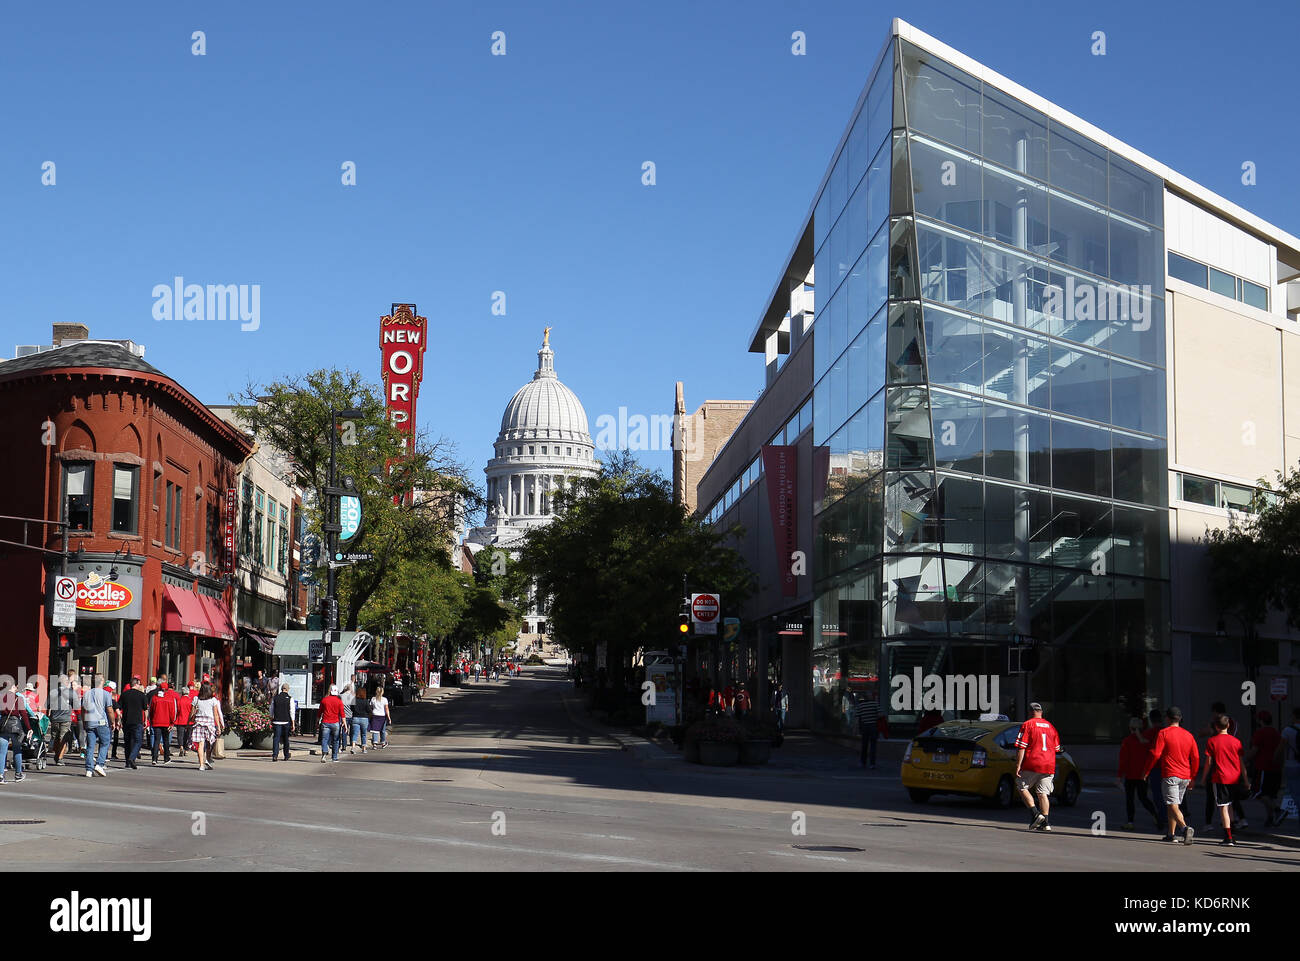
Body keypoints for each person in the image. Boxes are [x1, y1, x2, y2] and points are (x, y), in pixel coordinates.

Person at [1142, 706, 1200, 845]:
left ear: (1167, 718)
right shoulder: (1189, 735)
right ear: (1180, 719)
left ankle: (1185, 828)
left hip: (1170, 774)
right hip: (1185, 776)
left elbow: (1155, 754)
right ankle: (1171, 834)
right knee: (1172, 805)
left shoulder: (1163, 733)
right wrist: (1193, 777)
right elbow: (1196, 758)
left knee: (1172, 805)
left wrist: (1146, 771)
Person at [1199, 713, 1248, 846]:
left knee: (1223, 807)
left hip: (1220, 777)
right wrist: (1246, 779)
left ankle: (1228, 837)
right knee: (1231, 805)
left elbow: (1208, 763)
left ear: (1215, 726)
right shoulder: (1236, 741)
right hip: (1235, 778)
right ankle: (1231, 831)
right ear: (1228, 725)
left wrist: (1203, 779)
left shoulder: (1212, 741)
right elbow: (1241, 763)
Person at [1014, 702, 1062, 831]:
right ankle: (1045, 823)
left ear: (1030, 712)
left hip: (1033, 762)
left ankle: (1035, 814)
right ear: (1041, 712)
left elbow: (1021, 747)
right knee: (1043, 793)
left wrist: (1018, 765)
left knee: (1021, 786)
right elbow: (1057, 748)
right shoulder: (1051, 727)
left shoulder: (1027, 724)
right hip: (1049, 764)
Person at [1116, 717, 1159, 830]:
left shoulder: (1127, 741)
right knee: (1143, 797)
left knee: (1130, 799)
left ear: (1130, 728)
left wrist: (1119, 776)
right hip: (1143, 774)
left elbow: (1123, 760)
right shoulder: (1146, 741)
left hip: (1130, 774)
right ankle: (1155, 815)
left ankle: (1130, 822)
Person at [1246, 709, 1284, 827]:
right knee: (1270, 794)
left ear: (1261, 721)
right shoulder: (1277, 733)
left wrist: (1246, 760)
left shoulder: (1260, 733)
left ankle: (1278, 810)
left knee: (1258, 792)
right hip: (1276, 767)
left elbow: (1254, 750)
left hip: (1263, 766)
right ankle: (1270, 817)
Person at [81, 680, 116, 778]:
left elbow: (83, 709)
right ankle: (100, 764)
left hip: (90, 722)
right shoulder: (105, 694)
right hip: (101, 721)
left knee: (90, 746)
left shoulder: (87, 694)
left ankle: (89, 769)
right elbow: (109, 710)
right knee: (105, 743)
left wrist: (84, 721)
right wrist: (113, 721)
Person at [189, 682, 223, 772]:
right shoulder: (213, 700)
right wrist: (218, 727)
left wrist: (188, 722)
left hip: (199, 722)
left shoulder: (196, 699)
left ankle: (201, 765)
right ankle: (208, 758)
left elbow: (191, 713)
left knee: (200, 744)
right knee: (210, 743)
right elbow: (216, 714)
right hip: (209, 723)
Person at [0, 695, 33, 783]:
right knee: (17, 749)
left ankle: (1, 775)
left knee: (2, 752)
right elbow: (24, 714)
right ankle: (18, 774)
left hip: (3, 725)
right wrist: (29, 728)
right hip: (15, 726)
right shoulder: (17, 698)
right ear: (13, 687)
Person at [117, 680, 149, 771]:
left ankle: (128, 762)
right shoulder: (142, 695)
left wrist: (119, 720)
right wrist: (146, 720)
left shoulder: (124, 694)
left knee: (127, 742)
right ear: (136, 684)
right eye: (139, 684)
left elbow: (119, 708)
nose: (140, 686)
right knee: (137, 741)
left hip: (127, 721)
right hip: (137, 721)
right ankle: (132, 757)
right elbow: (145, 709)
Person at [148, 677, 179, 765]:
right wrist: (172, 723)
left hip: (156, 722)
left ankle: (154, 758)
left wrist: (151, 720)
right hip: (166, 722)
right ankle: (166, 758)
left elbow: (151, 710)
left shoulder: (154, 698)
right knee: (166, 740)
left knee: (157, 740)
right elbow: (173, 711)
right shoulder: (170, 698)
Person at [47, 674, 77, 766]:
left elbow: (47, 705)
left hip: (57, 718)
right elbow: (76, 705)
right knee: (61, 739)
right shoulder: (70, 692)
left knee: (58, 738)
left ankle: (59, 757)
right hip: (63, 718)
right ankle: (58, 756)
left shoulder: (53, 692)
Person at [1143, 709, 1166, 824]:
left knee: (1157, 793)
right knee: (1169, 794)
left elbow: (1143, 742)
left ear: (1151, 720)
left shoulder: (1150, 732)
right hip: (1167, 765)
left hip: (1155, 766)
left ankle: (1162, 816)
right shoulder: (1165, 731)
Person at [318, 684, 346, 763]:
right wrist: (345, 725)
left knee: (324, 739)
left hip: (325, 722)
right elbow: (342, 714)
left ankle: (324, 753)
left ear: (330, 692)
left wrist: (317, 721)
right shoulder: (339, 701)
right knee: (336, 740)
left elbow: (320, 712)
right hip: (335, 723)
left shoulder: (324, 700)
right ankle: (334, 757)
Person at [856, 691, 880, 770]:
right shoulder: (875, 704)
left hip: (864, 727)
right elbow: (881, 714)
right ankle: (872, 763)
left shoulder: (861, 705)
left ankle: (863, 762)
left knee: (864, 745)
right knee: (873, 746)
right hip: (873, 727)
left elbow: (856, 716)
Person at [270, 684, 295, 761]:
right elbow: (292, 711)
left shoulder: (275, 698)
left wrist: (271, 718)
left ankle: (275, 755)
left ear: (281, 689)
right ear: (288, 689)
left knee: (276, 738)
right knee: (286, 739)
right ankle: (286, 755)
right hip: (286, 721)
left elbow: (271, 709)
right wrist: (293, 723)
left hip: (277, 721)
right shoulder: (290, 699)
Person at [369, 685, 392, 749]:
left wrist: (370, 715)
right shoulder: (384, 699)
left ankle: (374, 743)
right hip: (382, 715)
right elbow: (386, 709)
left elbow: (371, 708)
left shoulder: (373, 699)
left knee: (375, 730)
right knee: (383, 730)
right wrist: (389, 717)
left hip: (375, 715)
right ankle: (383, 742)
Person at [350, 684, 370, 754]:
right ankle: (364, 749)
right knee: (363, 734)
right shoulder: (366, 701)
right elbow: (369, 710)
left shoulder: (354, 700)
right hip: (364, 718)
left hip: (355, 717)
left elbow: (351, 709)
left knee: (355, 734)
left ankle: (353, 747)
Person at [175, 685, 195, 758]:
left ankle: (181, 747)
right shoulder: (190, 701)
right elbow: (192, 711)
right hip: (189, 721)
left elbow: (177, 711)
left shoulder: (179, 701)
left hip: (180, 720)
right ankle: (186, 749)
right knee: (188, 735)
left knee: (180, 735)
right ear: (188, 693)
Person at [340, 683, 356, 751]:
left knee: (344, 730)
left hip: (344, 715)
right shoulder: (352, 697)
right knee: (352, 730)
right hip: (351, 715)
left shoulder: (341, 696)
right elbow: (354, 708)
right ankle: (351, 742)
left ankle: (344, 745)